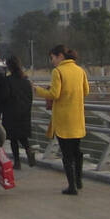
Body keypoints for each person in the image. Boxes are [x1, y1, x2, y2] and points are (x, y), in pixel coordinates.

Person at [35, 45, 89, 196]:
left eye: (52, 58)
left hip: (63, 120)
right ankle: (79, 180)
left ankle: (72, 186)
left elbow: (54, 94)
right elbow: (86, 91)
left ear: (60, 56)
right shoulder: (80, 70)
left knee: (67, 155)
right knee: (77, 151)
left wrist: (38, 90)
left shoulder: (58, 71)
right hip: (77, 118)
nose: (52, 61)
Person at [0, 55, 36, 168]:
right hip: (24, 112)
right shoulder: (26, 80)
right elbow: (30, 97)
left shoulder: (8, 80)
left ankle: (17, 162)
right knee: (22, 136)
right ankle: (28, 149)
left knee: (13, 139)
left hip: (11, 112)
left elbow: (4, 96)